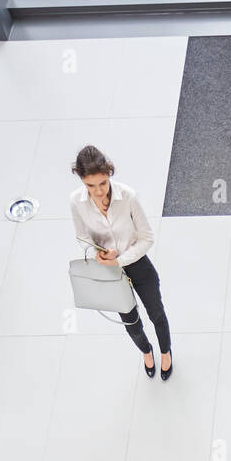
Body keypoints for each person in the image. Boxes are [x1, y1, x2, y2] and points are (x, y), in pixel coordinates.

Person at [69, 144, 173, 381]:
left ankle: (165, 352)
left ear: (109, 174)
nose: (98, 192)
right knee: (130, 320)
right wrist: (95, 253)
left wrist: (120, 259)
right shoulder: (76, 201)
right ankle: (146, 351)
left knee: (156, 312)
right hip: (109, 272)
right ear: (81, 179)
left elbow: (147, 238)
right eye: (90, 186)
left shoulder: (127, 196)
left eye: (102, 183)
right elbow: (82, 237)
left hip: (136, 263)